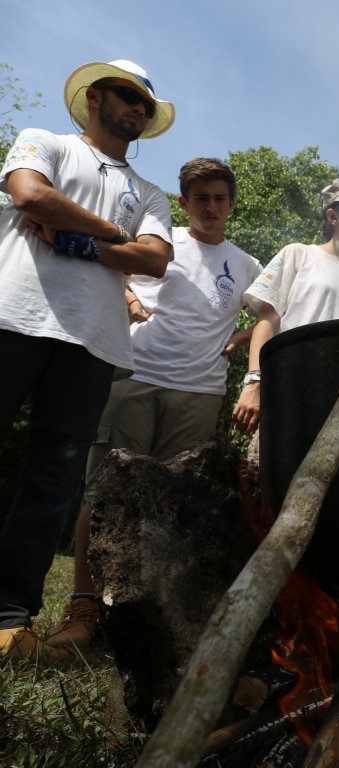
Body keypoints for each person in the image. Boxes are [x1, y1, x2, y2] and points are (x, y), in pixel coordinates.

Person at [44, 158, 261, 652]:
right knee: (105, 493)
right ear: (184, 203)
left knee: (177, 503)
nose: (211, 207)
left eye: (220, 198)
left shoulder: (247, 265)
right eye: (201, 198)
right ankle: (84, 608)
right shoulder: (162, 242)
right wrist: (127, 299)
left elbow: (274, 312)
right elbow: (108, 270)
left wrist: (240, 337)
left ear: (231, 203)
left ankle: (154, 616)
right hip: (134, 376)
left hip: (200, 393)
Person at [0, 59, 174, 664]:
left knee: (53, 480)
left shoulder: (150, 193)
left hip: (94, 342)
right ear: (95, 96)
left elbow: (154, 260)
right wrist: (115, 236)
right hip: (13, 317)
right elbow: (29, 194)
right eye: (128, 96)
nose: (138, 109)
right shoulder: (45, 142)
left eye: (146, 105)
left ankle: (9, 620)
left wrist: (75, 236)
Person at [232, 176, 339, 435]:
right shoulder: (299, 254)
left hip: (336, 409)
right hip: (285, 394)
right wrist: (254, 381)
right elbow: (266, 320)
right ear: (332, 216)